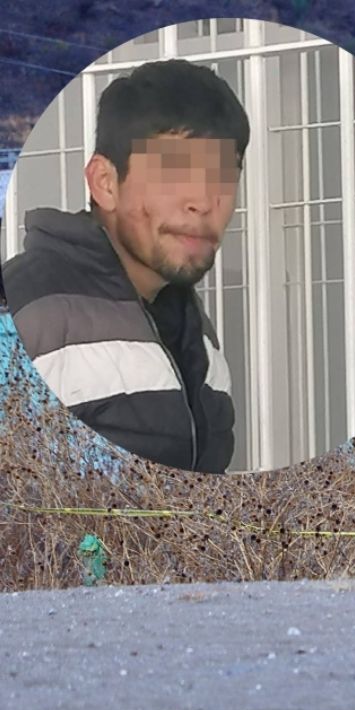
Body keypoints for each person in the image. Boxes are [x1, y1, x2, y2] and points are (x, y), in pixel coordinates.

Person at [2, 59, 248, 473]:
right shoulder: (25, 312)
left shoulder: (192, 329)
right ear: (105, 183)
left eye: (224, 176)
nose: (204, 202)